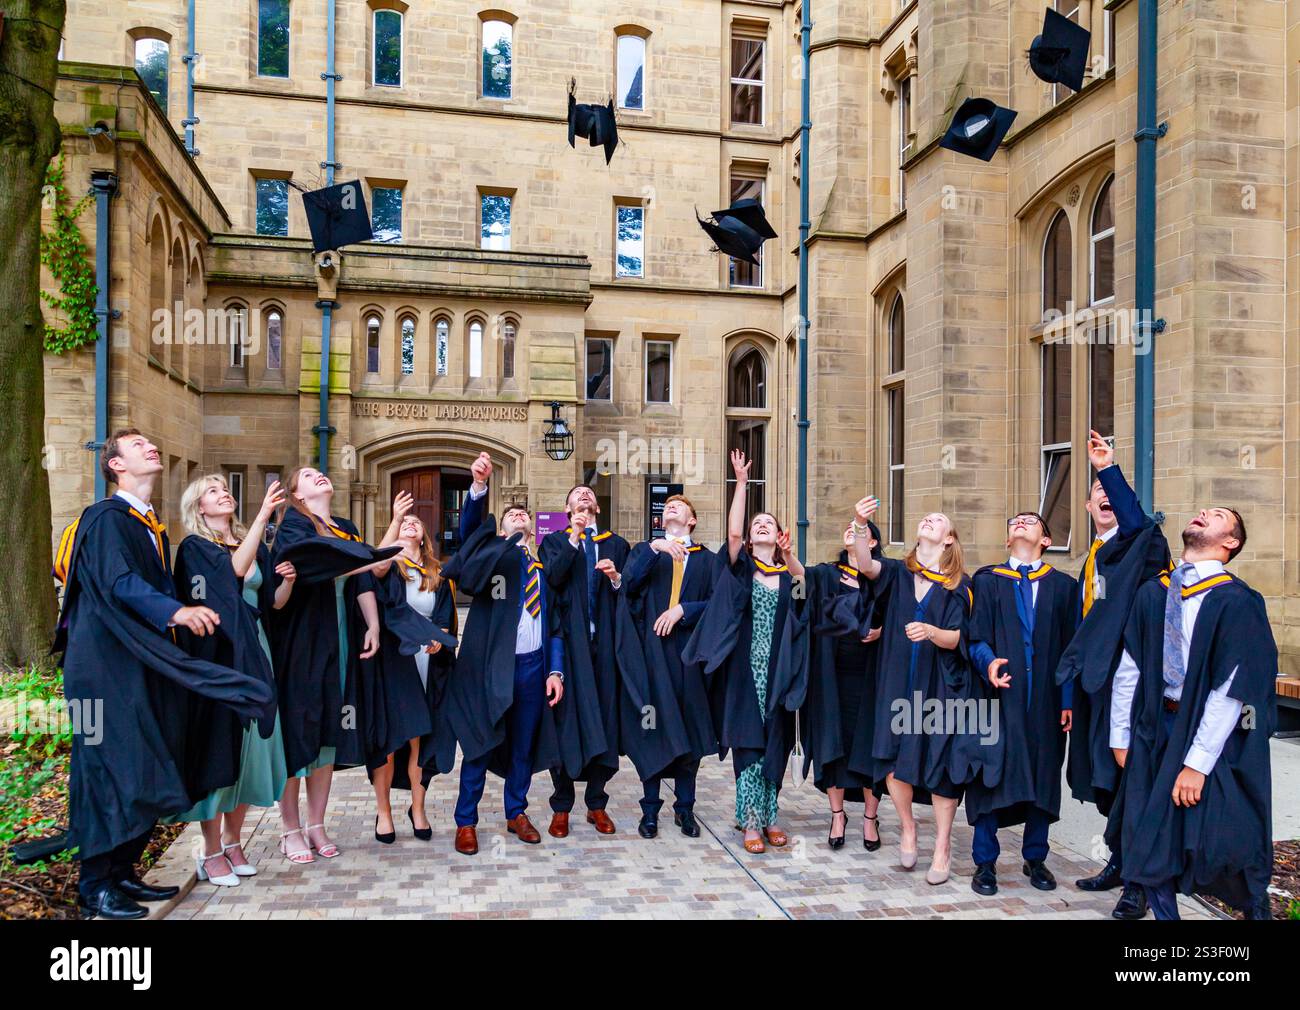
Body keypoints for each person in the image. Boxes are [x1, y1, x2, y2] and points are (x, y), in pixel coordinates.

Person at [55, 429, 273, 918]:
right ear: (115, 465)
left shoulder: (150, 527)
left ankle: (124, 873)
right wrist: (177, 613)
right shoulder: (107, 518)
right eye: (137, 446)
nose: (150, 448)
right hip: (102, 667)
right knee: (105, 768)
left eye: (151, 444)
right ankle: (96, 886)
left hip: (136, 662)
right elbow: (119, 582)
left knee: (145, 761)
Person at [1107, 507, 1275, 920]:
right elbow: (1130, 665)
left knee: (1226, 838)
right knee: (1148, 833)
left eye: (1217, 515)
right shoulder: (1155, 592)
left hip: (1213, 734)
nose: (1202, 513)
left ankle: (1256, 911)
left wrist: (1197, 764)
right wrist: (1120, 733)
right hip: (1155, 726)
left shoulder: (1238, 601)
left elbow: (1231, 691)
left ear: (1230, 542)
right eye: (1202, 509)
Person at [1056, 431, 1170, 919]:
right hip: (1094, 684)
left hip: (1132, 684)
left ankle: (1138, 886)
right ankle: (1120, 861)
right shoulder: (1091, 559)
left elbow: (1138, 523)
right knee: (1103, 780)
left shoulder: (1144, 546)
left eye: (1114, 496)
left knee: (1133, 783)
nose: (1106, 499)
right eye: (1098, 494)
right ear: (1085, 508)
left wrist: (1107, 468)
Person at [435, 452, 566, 855]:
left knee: (524, 744)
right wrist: (477, 489)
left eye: (523, 516)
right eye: (512, 516)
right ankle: (466, 820)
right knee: (480, 741)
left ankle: (516, 811)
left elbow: (555, 625)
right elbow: (470, 533)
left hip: (532, 667)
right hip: (490, 667)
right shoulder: (490, 554)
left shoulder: (543, 566)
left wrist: (555, 671)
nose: (519, 518)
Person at [169, 474, 295, 887]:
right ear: (199, 507)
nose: (224, 493)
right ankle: (209, 850)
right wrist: (262, 516)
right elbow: (232, 577)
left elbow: (270, 601)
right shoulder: (195, 548)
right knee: (220, 745)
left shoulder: (251, 543)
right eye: (212, 491)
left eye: (225, 488)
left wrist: (288, 582)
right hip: (219, 652)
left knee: (252, 746)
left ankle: (234, 840)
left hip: (255, 645)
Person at [268, 468, 398, 864]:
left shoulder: (344, 526)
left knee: (327, 733)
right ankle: (290, 830)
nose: (320, 476)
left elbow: (362, 582)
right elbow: (315, 572)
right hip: (303, 639)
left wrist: (373, 624)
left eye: (321, 472)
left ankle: (316, 824)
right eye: (309, 475)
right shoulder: (291, 525)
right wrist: (378, 556)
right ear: (298, 495)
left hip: (340, 636)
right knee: (297, 732)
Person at [684, 450, 808, 855]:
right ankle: (751, 819)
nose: (760, 527)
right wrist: (740, 484)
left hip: (778, 668)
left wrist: (790, 557)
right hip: (743, 667)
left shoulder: (787, 575)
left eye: (767, 524)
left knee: (775, 740)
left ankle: (770, 813)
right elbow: (734, 536)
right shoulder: (740, 567)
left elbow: (805, 587)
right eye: (757, 524)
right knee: (748, 742)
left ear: (779, 535)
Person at [851, 500, 972, 885]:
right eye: (926, 516)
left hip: (940, 687)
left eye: (938, 519)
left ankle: (942, 846)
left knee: (940, 766)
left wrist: (933, 633)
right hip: (896, 681)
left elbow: (958, 639)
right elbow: (863, 564)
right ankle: (907, 828)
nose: (928, 518)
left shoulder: (959, 585)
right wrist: (859, 523)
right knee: (892, 760)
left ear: (949, 539)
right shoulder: (897, 574)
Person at [964, 511, 1078, 896]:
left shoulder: (1064, 586)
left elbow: (1070, 650)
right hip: (997, 696)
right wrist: (987, 662)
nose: (1020, 523)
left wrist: (1067, 700)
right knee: (991, 772)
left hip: (1045, 699)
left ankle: (1036, 856)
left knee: (1043, 770)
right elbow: (974, 637)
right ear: (1007, 539)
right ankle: (985, 863)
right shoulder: (987, 581)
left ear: (1046, 540)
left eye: (1031, 521)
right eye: (1014, 521)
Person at [617, 493, 718, 839]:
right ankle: (649, 811)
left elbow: (720, 603)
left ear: (692, 520)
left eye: (680, 505)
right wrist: (655, 548)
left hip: (690, 656)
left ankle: (685, 809)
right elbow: (628, 586)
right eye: (667, 505)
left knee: (689, 730)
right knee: (652, 728)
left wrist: (683, 610)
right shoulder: (648, 552)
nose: (671, 506)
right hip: (652, 655)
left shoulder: (707, 560)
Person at [539, 484, 628, 837]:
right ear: (567, 508)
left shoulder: (616, 545)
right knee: (565, 720)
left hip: (604, 644)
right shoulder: (555, 542)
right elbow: (554, 577)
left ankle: (596, 803)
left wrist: (617, 579)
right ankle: (562, 805)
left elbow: (632, 594)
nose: (585, 497)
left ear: (598, 508)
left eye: (590, 494)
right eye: (577, 495)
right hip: (569, 644)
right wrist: (574, 537)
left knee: (605, 720)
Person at [363, 505, 454, 843]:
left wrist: (438, 641)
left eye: (416, 522)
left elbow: (444, 616)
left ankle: (418, 808)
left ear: (424, 537)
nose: (410, 524)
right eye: (404, 522)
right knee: (389, 740)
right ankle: (383, 811)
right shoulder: (387, 568)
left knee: (419, 740)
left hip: (425, 663)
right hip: (393, 662)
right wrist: (396, 521)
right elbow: (377, 576)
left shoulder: (435, 572)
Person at [801, 522, 886, 850]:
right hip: (831, 673)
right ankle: (837, 815)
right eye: (849, 528)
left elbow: (899, 613)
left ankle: (869, 817)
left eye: (861, 530)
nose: (851, 531)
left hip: (871, 675)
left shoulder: (882, 577)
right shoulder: (827, 574)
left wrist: (884, 629)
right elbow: (799, 575)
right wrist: (788, 554)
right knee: (832, 743)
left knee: (869, 745)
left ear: (873, 541)